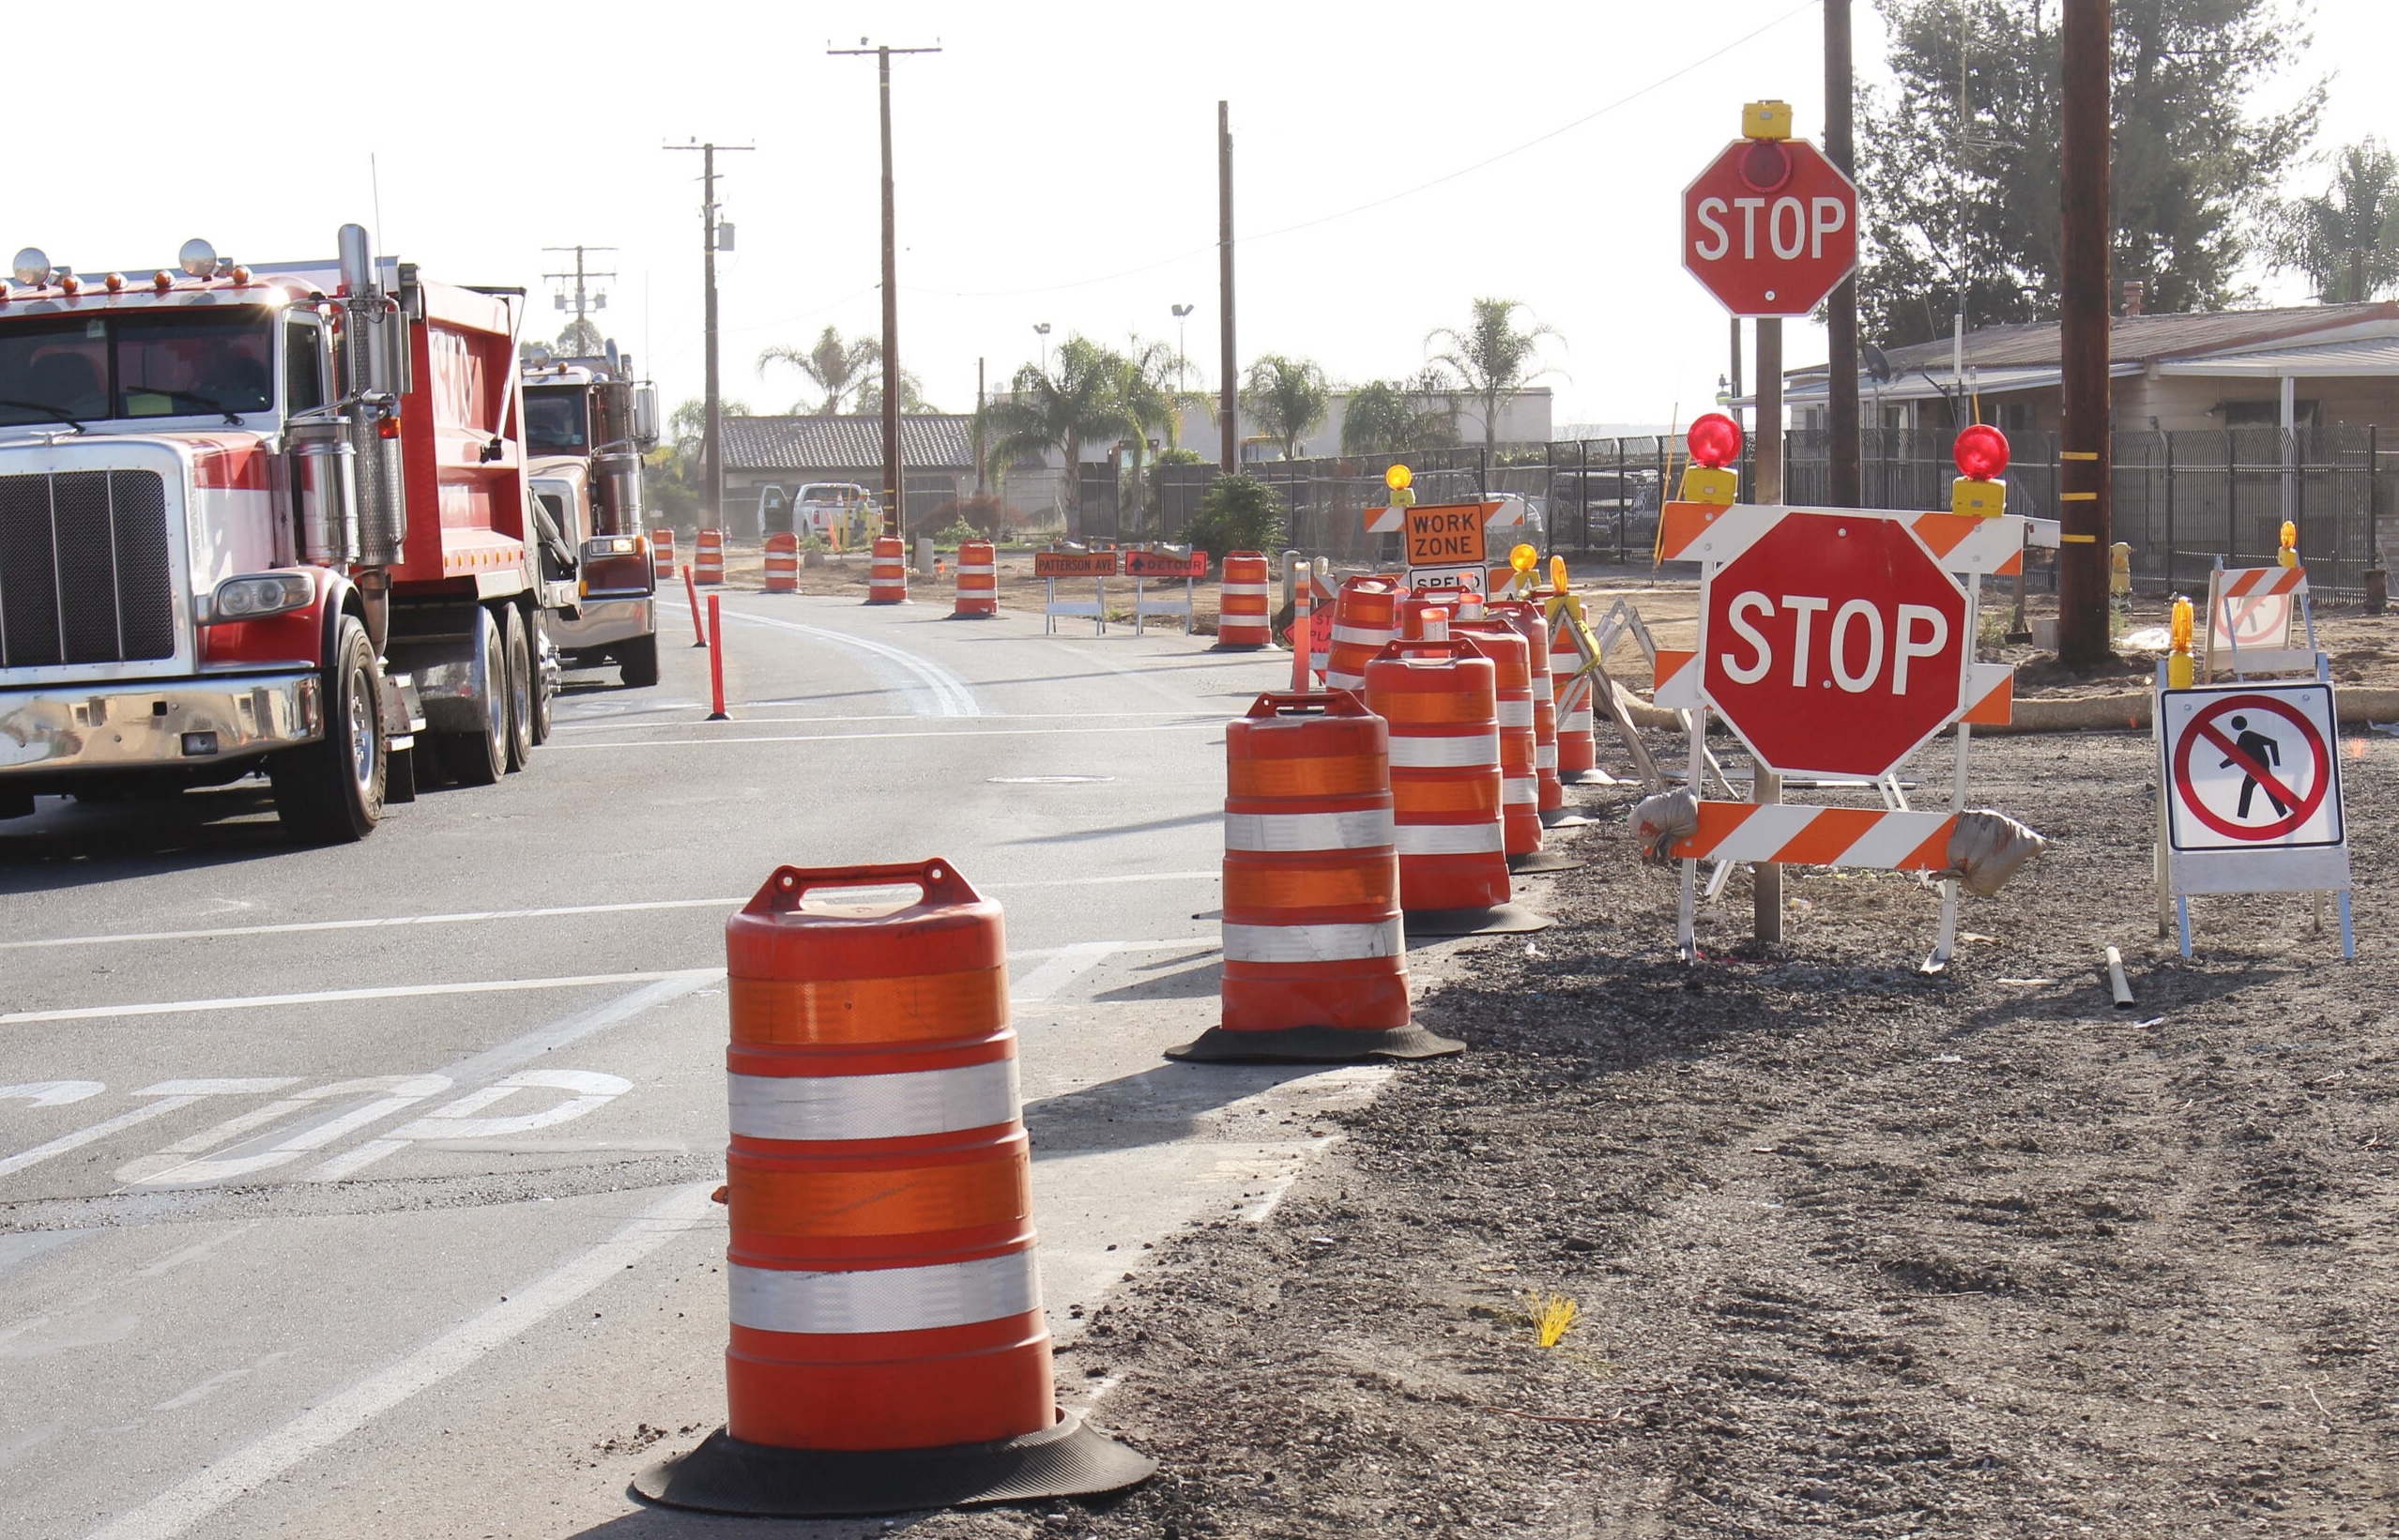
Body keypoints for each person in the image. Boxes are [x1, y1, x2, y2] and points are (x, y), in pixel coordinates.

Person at [2222, 714, 2288, 819]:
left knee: (2249, 788)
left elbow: (2272, 743)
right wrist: (2222, 766)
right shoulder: (2243, 737)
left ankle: (2242, 817)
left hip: (2259, 768)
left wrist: (2277, 763)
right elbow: (2236, 756)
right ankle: (2282, 813)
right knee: (2265, 789)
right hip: (2254, 769)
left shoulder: (2247, 735)